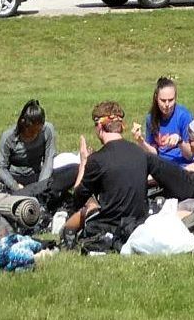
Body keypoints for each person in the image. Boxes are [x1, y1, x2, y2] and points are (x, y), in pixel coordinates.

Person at [64, 100, 156, 241]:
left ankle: (63, 234)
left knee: (85, 210)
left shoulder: (97, 160)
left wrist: (83, 161)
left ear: (100, 126)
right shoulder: (140, 153)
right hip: (138, 223)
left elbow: (78, 198)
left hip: (109, 226)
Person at [0, 100, 55, 190]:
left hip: (37, 176)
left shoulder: (48, 130)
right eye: (31, 131)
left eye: (38, 131)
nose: (34, 134)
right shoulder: (8, 137)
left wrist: (41, 186)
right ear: (23, 125)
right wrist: (15, 186)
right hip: (15, 179)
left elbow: (49, 160)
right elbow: (1, 167)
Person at [142, 76, 194, 166]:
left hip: (182, 164)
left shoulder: (184, 117)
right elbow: (153, 153)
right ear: (156, 98)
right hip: (161, 164)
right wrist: (141, 142)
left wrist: (180, 141)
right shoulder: (151, 118)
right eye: (163, 100)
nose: (167, 104)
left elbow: (190, 155)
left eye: (171, 100)